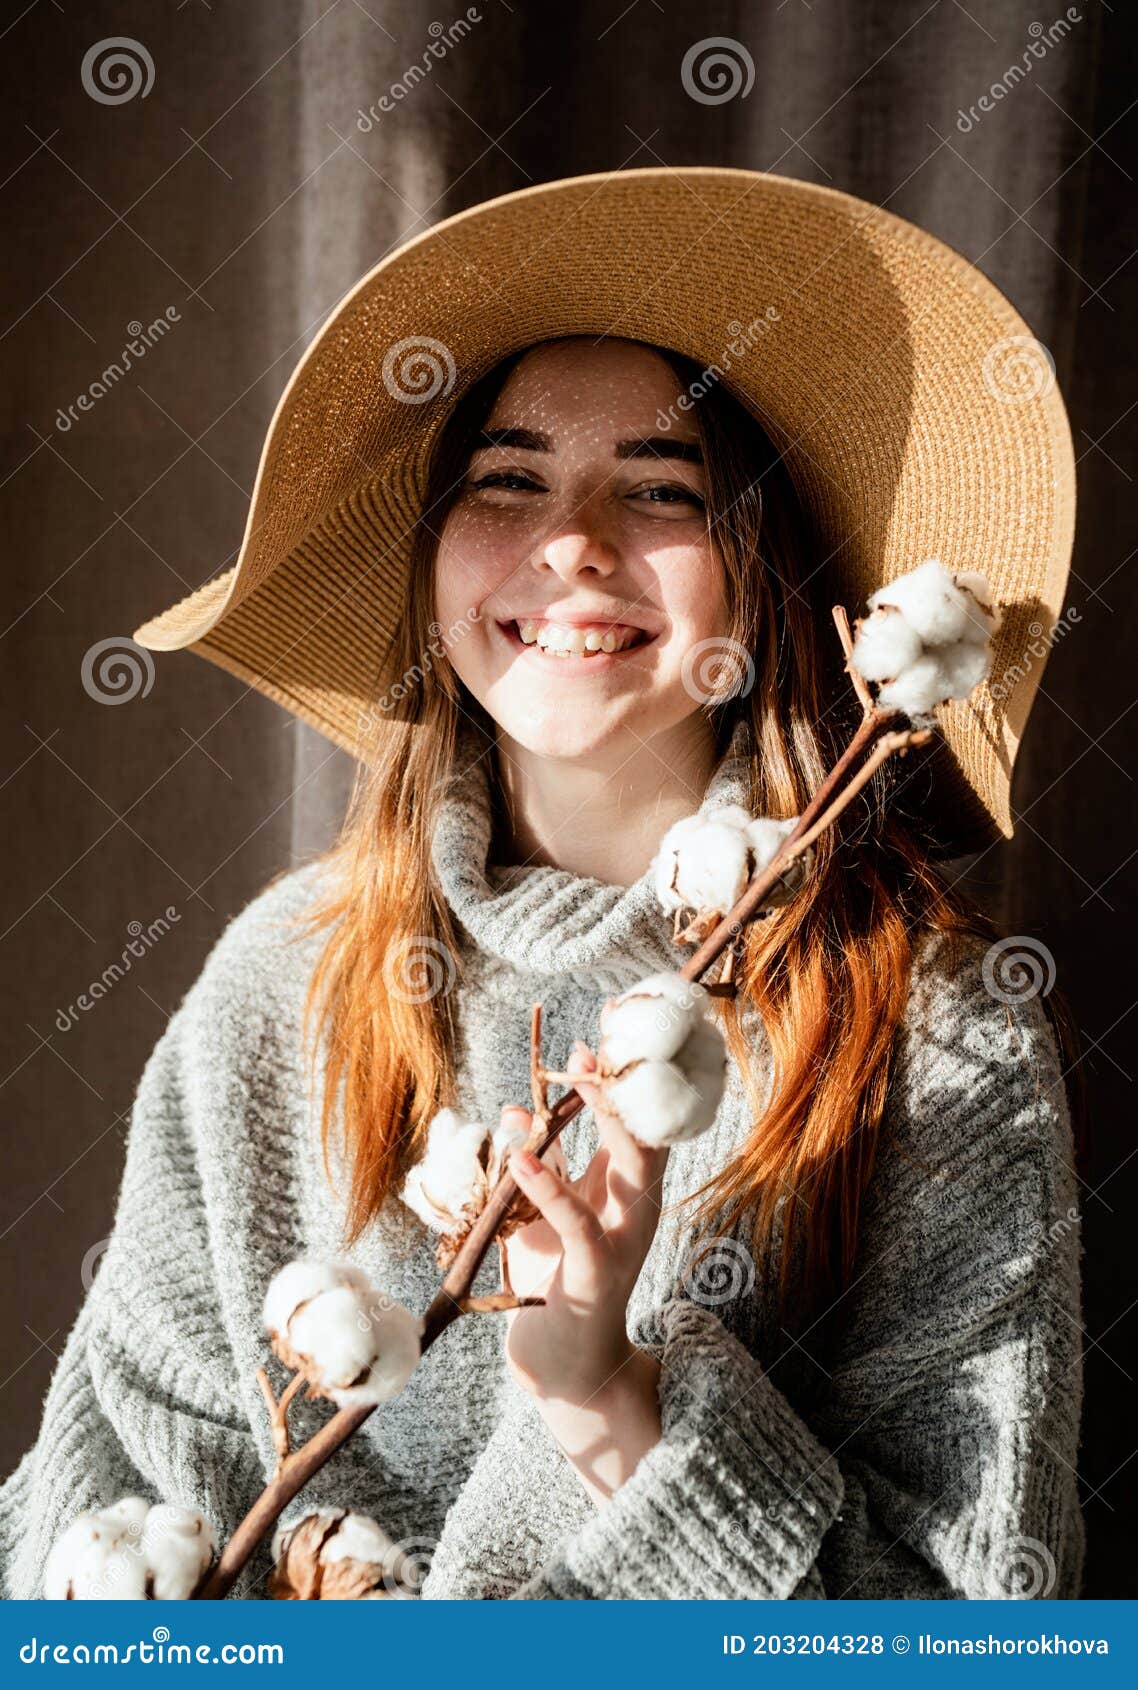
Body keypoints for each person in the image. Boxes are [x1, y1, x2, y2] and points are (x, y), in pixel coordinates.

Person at [0, 169, 1083, 1601]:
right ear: (435, 564)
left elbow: (978, 1633)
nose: (571, 541)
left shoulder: (936, 1030)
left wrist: (609, 1396)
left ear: (763, 580)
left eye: (661, 489)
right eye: (507, 480)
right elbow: (95, 1532)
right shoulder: (282, 985)